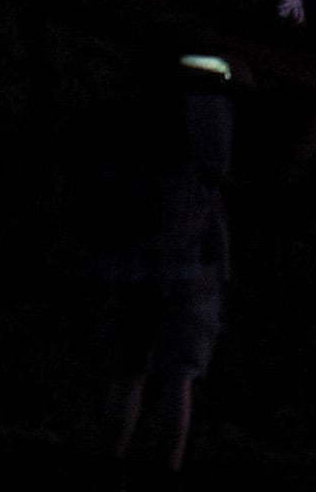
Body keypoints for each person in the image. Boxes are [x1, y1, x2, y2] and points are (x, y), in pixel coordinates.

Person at [95, 50, 235, 487]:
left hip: (135, 265)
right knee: (178, 378)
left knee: (128, 373)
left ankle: (109, 466)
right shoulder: (210, 148)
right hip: (190, 271)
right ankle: (166, 471)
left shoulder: (135, 132)